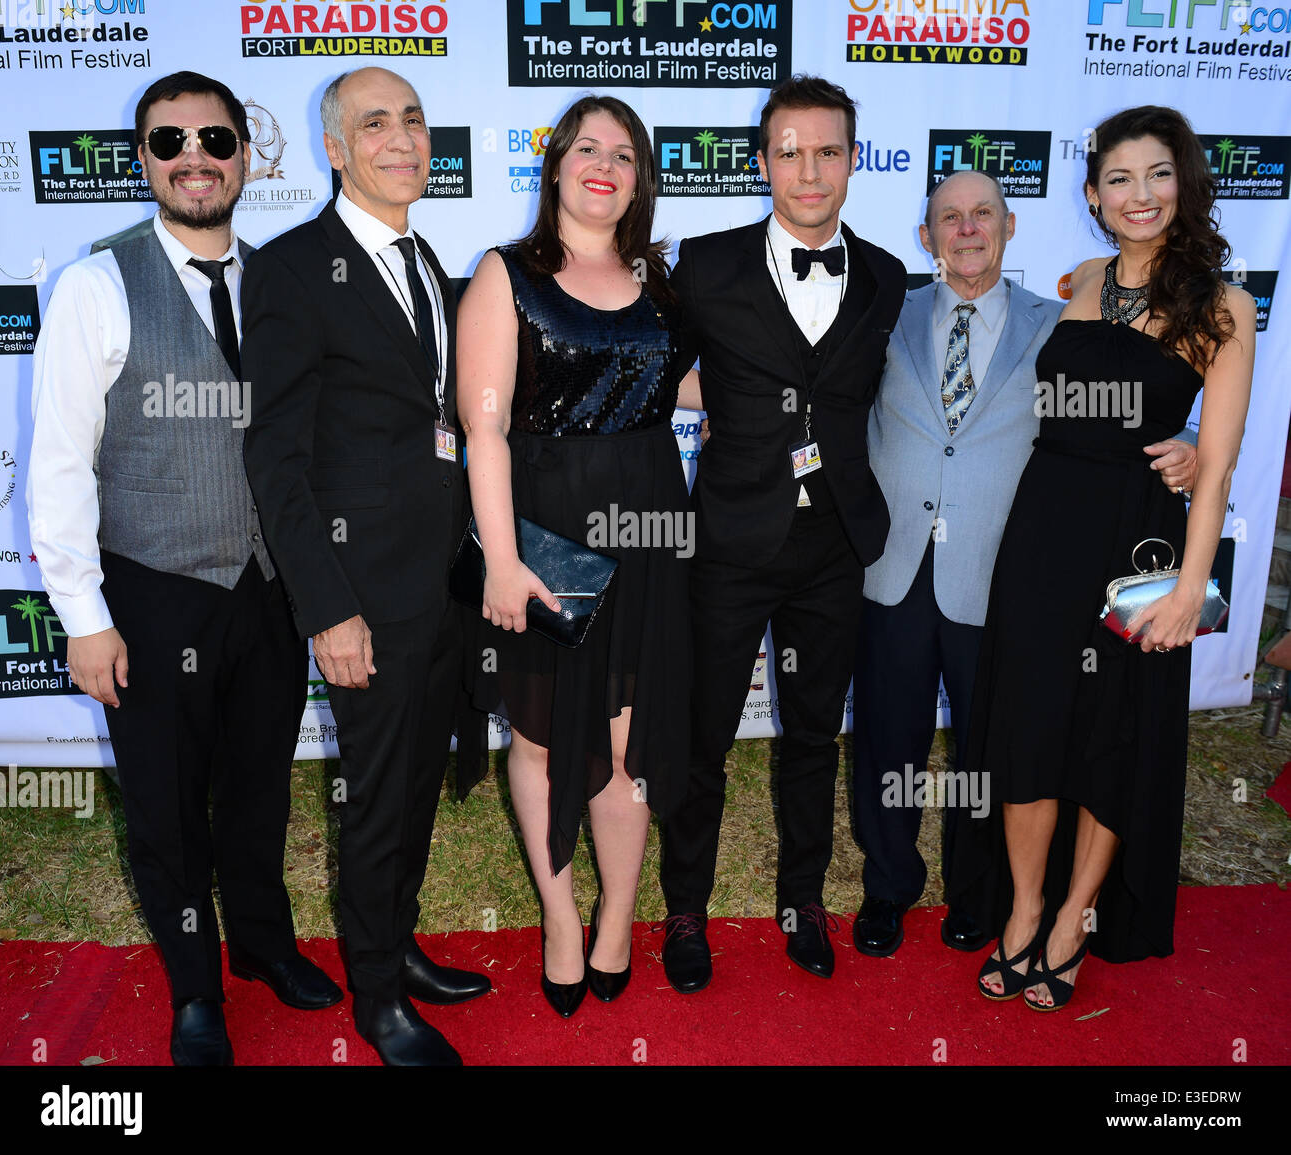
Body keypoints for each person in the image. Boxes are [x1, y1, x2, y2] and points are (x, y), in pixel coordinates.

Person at [25, 71, 341, 1066]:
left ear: (248, 155)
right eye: (170, 142)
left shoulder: (283, 283)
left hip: (271, 590)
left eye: (214, 138)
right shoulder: (96, 283)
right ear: (144, 159)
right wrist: (84, 617)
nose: (193, 157)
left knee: (258, 787)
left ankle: (262, 947)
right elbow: (62, 461)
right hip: (154, 592)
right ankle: (197, 988)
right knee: (165, 803)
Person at [949, 105, 1254, 1011]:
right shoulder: (1076, 281)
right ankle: (1025, 908)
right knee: (1028, 726)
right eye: (1119, 178)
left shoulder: (1223, 306)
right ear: (1092, 196)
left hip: (1144, 541)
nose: (1140, 194)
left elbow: (1221, 462)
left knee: (1114, 732)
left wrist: (1192, 586)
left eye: (1158, 174)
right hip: (1045, 530)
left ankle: (1078, 915)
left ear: (1185, 183)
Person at [851, 170, 1197, 958]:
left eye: (982, 216)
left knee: (992, 750)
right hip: (894, 568)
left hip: (1008, 576)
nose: (966, 230)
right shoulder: (884, 315)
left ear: (1009, 229)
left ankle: (976, 893)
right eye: (949, 218)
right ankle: (888, 886)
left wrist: (1197, 445)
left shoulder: (1063, 323)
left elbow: (1143, 401)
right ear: (925, 237)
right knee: (886, 740)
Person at [241, 67, 489, 1066]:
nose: (402, 139)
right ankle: (378, 1001)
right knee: (378, 797)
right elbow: (274, 456)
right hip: (364, 596)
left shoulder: (426, 257)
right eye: (374, 124)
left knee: (418, 784)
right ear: (333, 149)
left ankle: (398, 947)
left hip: (439, 583)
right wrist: (327, 609)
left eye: (415, 120)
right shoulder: (298, 267)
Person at [658, 75, 906, 990]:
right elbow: (656, 374)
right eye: (790, 152)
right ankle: (687, 909)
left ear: (852, 158)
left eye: (828, 151)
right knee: (701, 738)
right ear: (763, 162)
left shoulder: (884, 275)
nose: (810, 170)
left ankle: (801, 900)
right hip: (726, 543)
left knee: (812, 735)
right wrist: (728, 405)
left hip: (833, 547)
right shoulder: (707, 264)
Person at [458, 95, 700, 1017]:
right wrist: (502, 560)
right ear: (555, 164)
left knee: (629, 737)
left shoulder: (664, 286)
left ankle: (617, 916)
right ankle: (560, 914)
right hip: (546, 529)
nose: (605, 164)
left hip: (648, 531)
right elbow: (484, 431)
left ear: (641, 178)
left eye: (625, 154)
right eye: (587, 147)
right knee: (543, 730)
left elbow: (698, 387)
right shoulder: (506, 275)